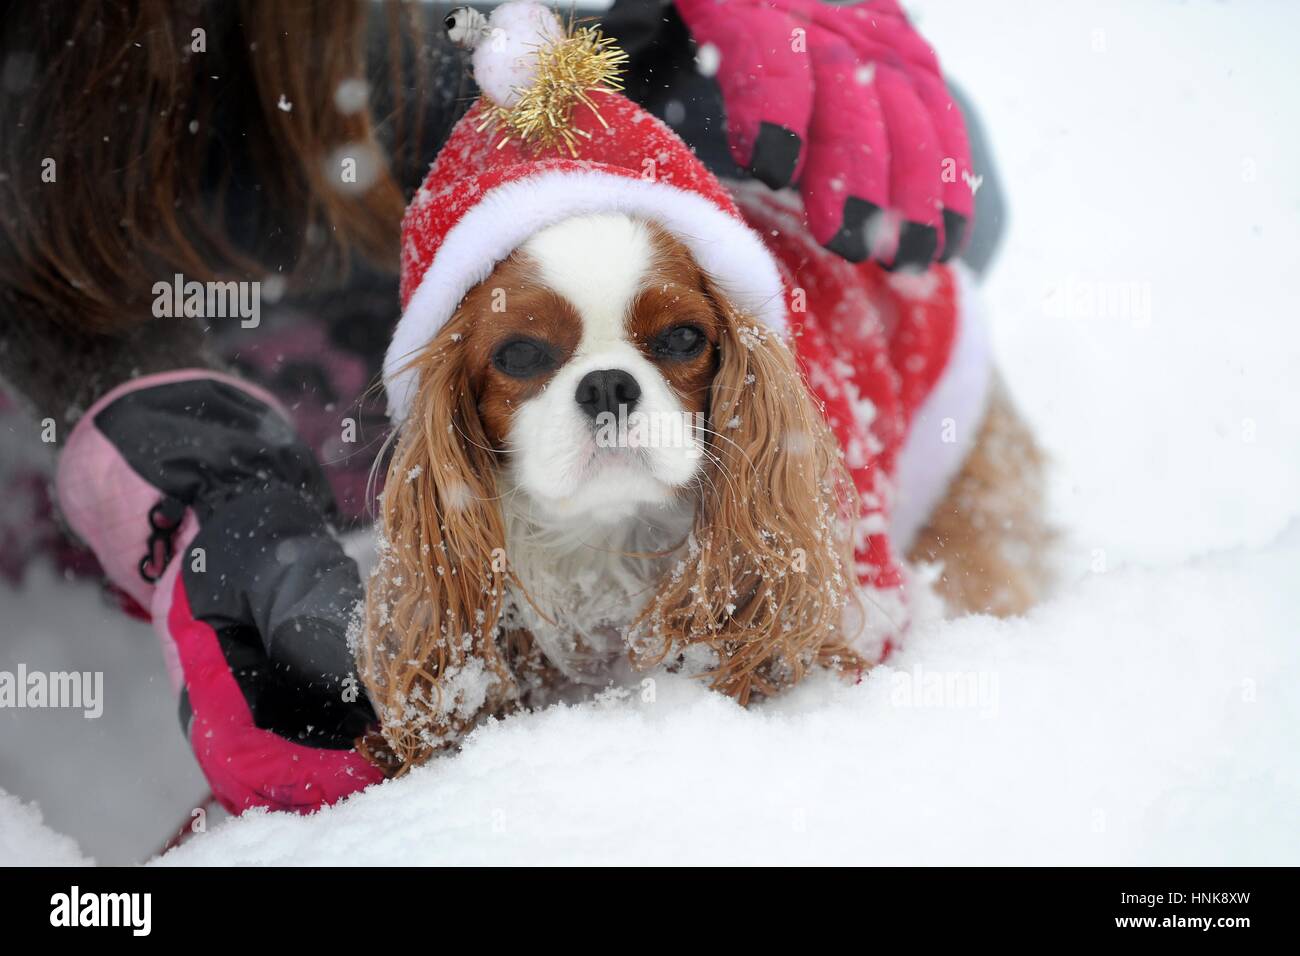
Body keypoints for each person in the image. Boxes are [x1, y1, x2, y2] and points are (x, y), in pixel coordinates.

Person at [0, 0, 1002, 813]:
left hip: (465, 118)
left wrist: (667, 43)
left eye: (677, 340)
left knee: (945, 185)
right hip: (123, 317)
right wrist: (193, 487)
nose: (609, 390)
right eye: (528, 355)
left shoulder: (406, 56)